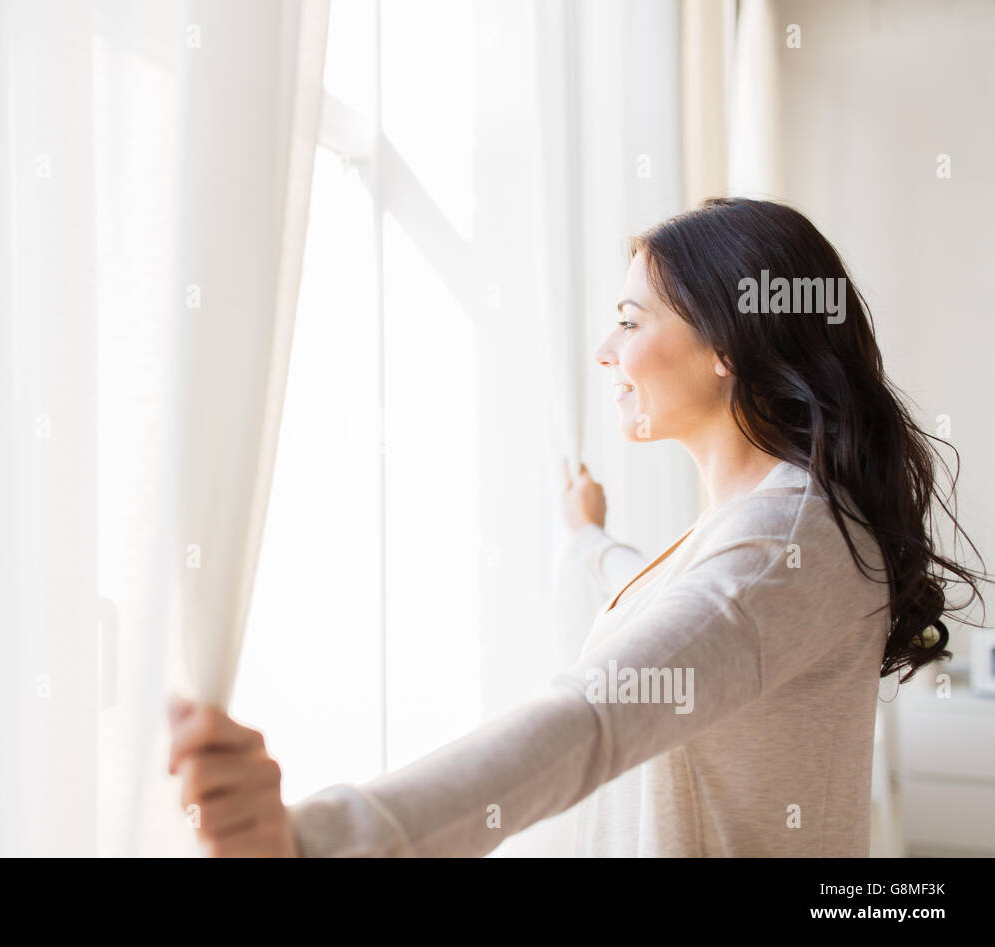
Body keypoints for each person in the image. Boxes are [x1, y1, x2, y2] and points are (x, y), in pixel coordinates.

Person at [166, 197, 985, 857]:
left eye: (630, 320)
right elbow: (687, 610)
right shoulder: (774, 528)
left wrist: (322, 841)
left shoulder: (783, 546)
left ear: (725, 345)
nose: (605, 349)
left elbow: (593, 716)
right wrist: (591, 537)